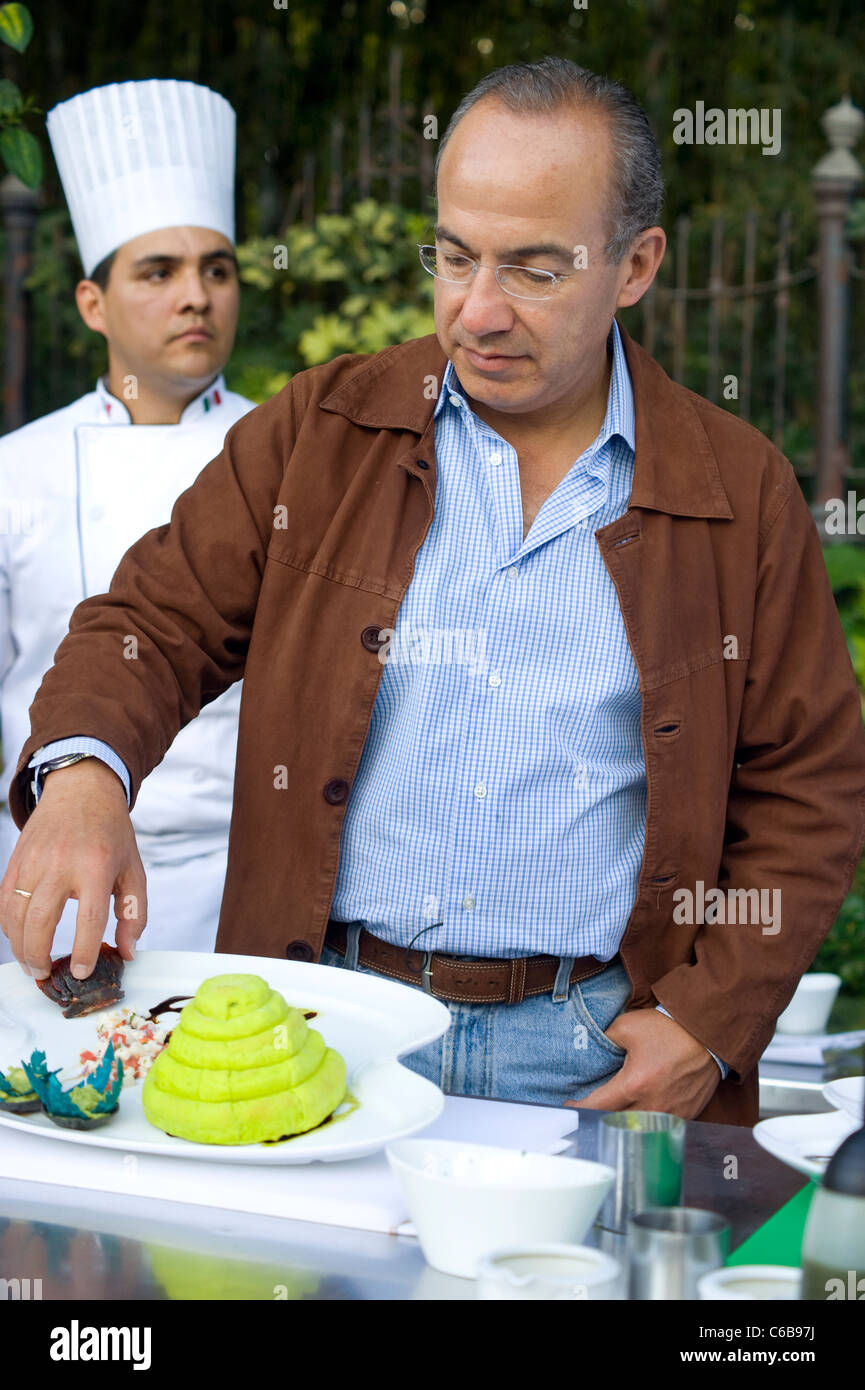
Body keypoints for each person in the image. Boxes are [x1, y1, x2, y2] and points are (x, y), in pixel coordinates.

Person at [2, 59, 864, 1126]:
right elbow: (148, 622)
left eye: (536, 269)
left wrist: (708, 1019)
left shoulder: (736, 489)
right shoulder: (324, 431)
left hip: (591, 1057)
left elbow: (810, 787)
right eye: (455, 256)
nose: (479, 311)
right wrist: (84, 773)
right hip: (321, 1027)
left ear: (635, 265)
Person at [0, 79, 255, 962]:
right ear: (92, 304)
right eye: (160, 272)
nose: (197, 296)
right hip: (57, 874)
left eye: (216, 270)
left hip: (249, 881)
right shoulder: (14, 471)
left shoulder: (291, 459)